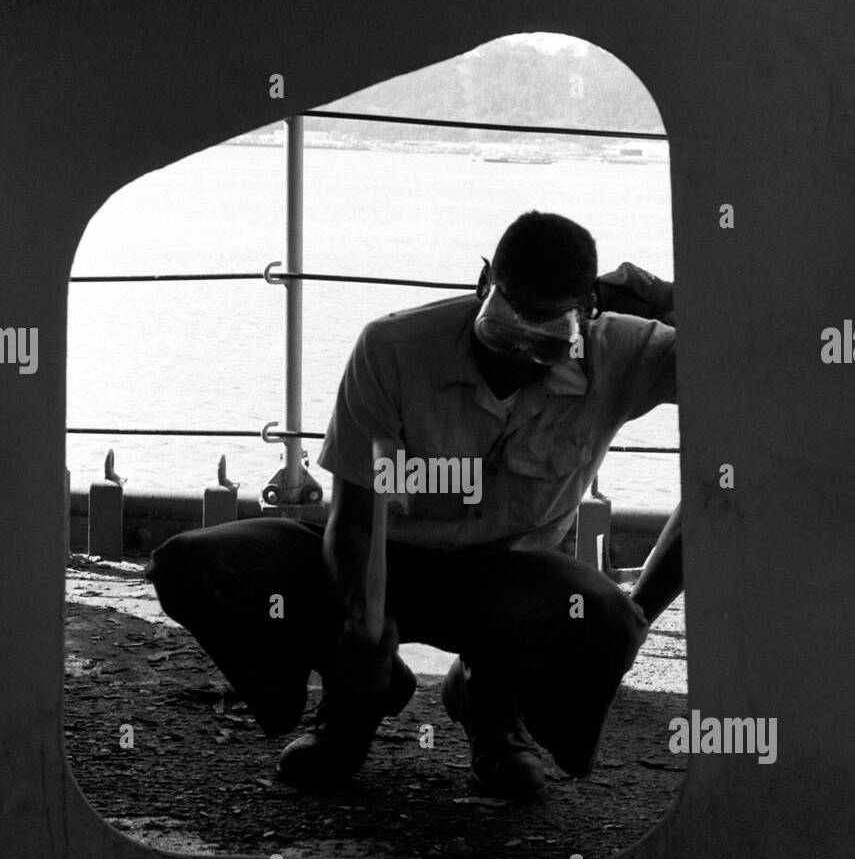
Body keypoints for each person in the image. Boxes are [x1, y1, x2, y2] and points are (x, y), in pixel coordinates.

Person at [148, 211, 682, 799]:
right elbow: (355, 513)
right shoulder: (394, 347)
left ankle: (493, 700)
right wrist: (363, 623)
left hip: (508, 580)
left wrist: (657, 295)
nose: (522, 351)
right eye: (506, 323)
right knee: (191, 563)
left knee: (607, 619)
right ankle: (354, 698)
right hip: (384, 554)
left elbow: (749, 356)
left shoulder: (624, 354)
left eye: (549, 332)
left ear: (588, 312)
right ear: (484, 284)